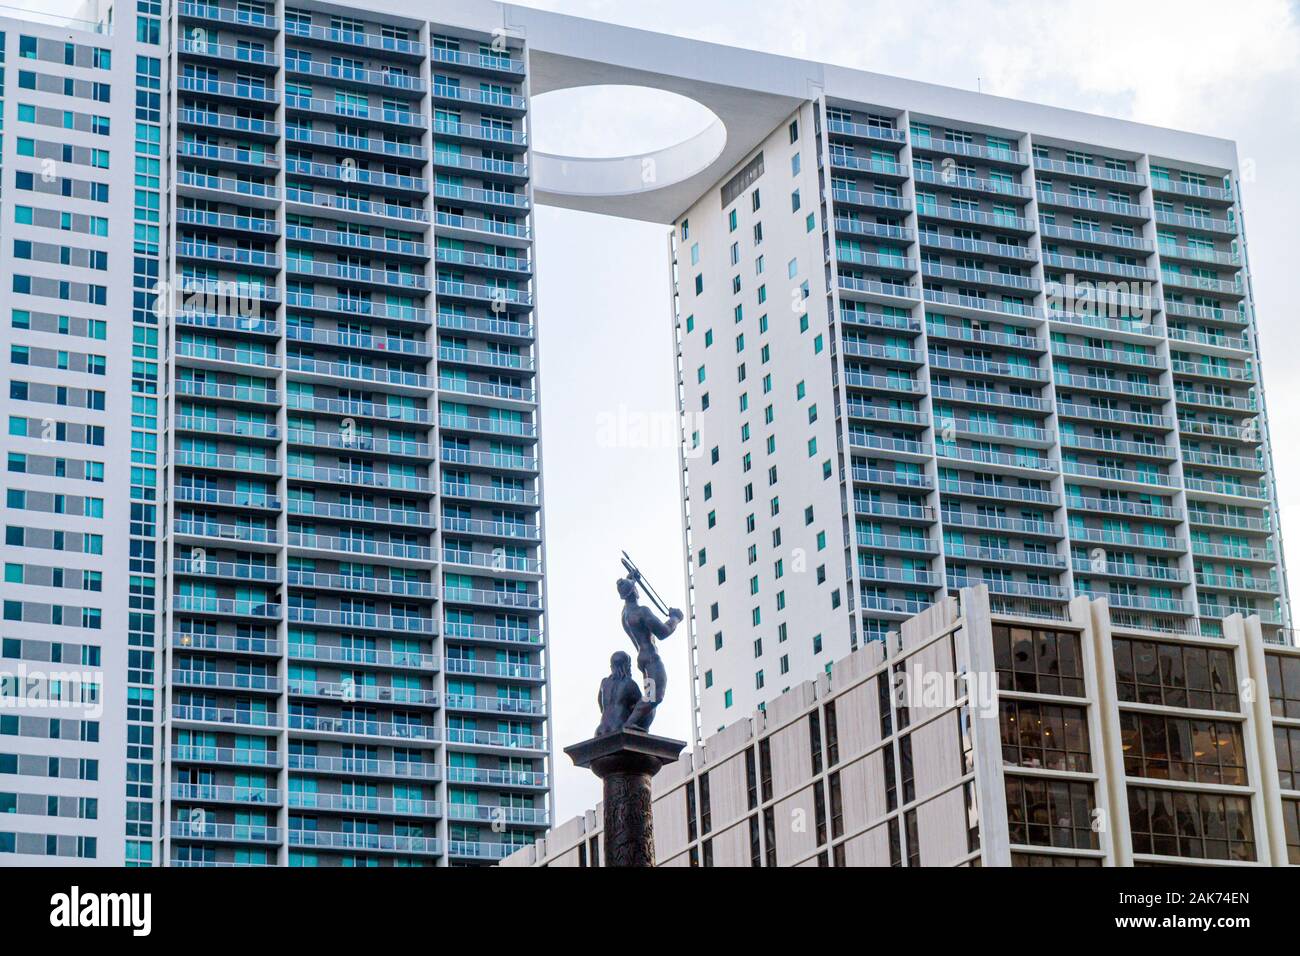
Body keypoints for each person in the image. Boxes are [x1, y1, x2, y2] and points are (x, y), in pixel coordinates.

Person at [616, 573, 683, 732]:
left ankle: (638, 721)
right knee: (655, 695)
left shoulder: (625, 614)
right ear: (635, 592)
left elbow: (628, 591)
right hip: (652, 659)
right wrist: (675, 618)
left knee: (649, 694)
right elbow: (663, 632)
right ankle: (630, 722)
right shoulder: (641, 612)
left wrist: (631, 578)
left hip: (642, 659)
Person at [596, 651, 642, 735]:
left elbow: (600, 704)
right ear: (627, 666)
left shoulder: (604, 682)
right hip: (619, 726)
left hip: (600, 729)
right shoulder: (630, 684)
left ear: (611, 667)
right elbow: (642, 707)